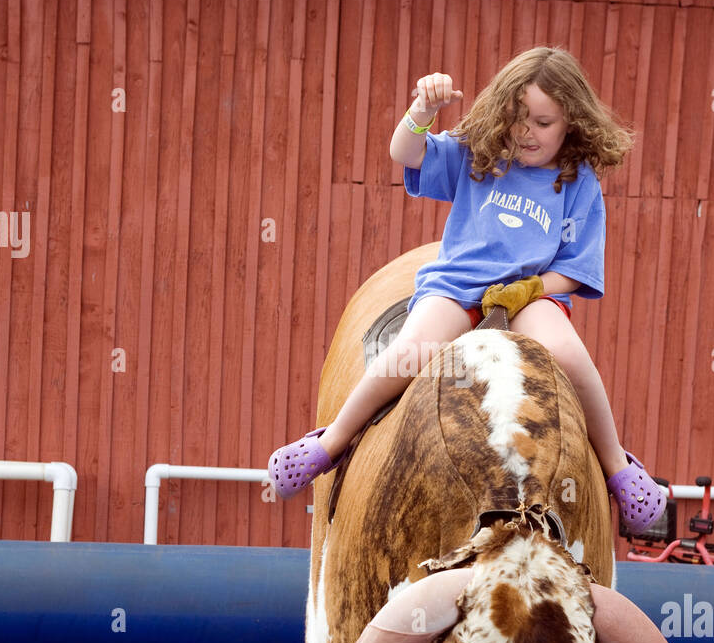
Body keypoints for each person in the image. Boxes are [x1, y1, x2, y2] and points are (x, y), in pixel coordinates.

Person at [269, 46, 666, 531]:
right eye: (519, 118)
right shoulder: (481, 152)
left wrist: (532, 288)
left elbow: (577, 269)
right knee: (411, 351)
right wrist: (422, 111)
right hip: (456, 287)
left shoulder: (578, 182)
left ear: (571, 121)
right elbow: (405, 152)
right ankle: (331, 442)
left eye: (543, 122)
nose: (527, 132)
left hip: (529, 296)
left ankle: (617, 469)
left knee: (569, 355)